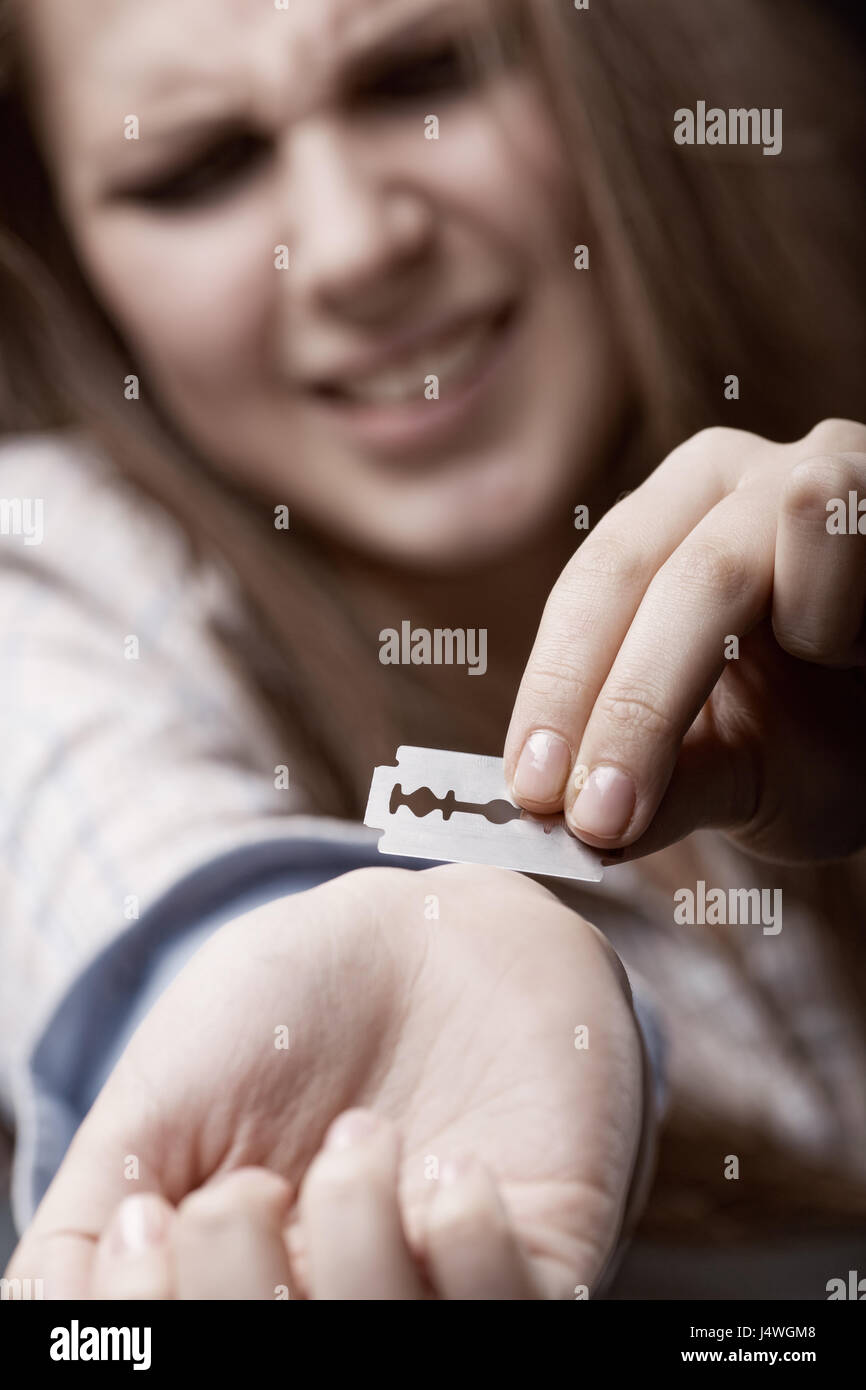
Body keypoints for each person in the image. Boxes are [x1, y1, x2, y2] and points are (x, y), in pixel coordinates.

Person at [2, 0, 866, 1299]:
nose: (356, 247)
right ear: (66, 254)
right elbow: (116, 861)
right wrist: (293, 1011)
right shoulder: (49, 575)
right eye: (195, 168)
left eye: (420, 77)